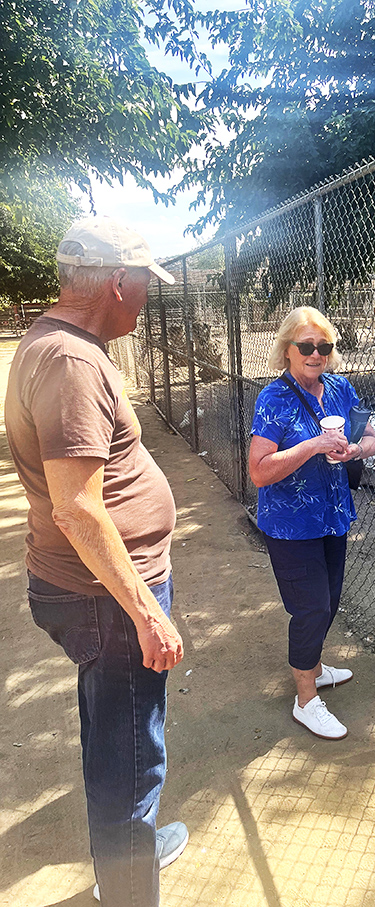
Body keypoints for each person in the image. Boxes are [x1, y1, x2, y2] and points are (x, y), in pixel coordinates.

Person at [5, 216, 189, 907]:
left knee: (117, 737)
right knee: (129, 760)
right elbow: (78, 508)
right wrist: (146, 613)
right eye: (143, 282)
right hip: (106, 599)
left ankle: (131, 855)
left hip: (98, 591)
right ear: (118, 281)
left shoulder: (57, 344)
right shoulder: (72, 363)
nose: (146, 295)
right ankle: (128, 886)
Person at [249, 306, 375, 740]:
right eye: (306, 346)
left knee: (331, 600)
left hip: (333, 517)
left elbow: (370, 437)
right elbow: (259, 471)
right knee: (311, 609)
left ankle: (316, 668)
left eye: (324, 346)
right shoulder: (274, 399)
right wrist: (314, 445)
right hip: (291, 525)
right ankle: (306, 700)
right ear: (287, 349)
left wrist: (354, 450)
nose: (316, 354)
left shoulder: (341, 389)